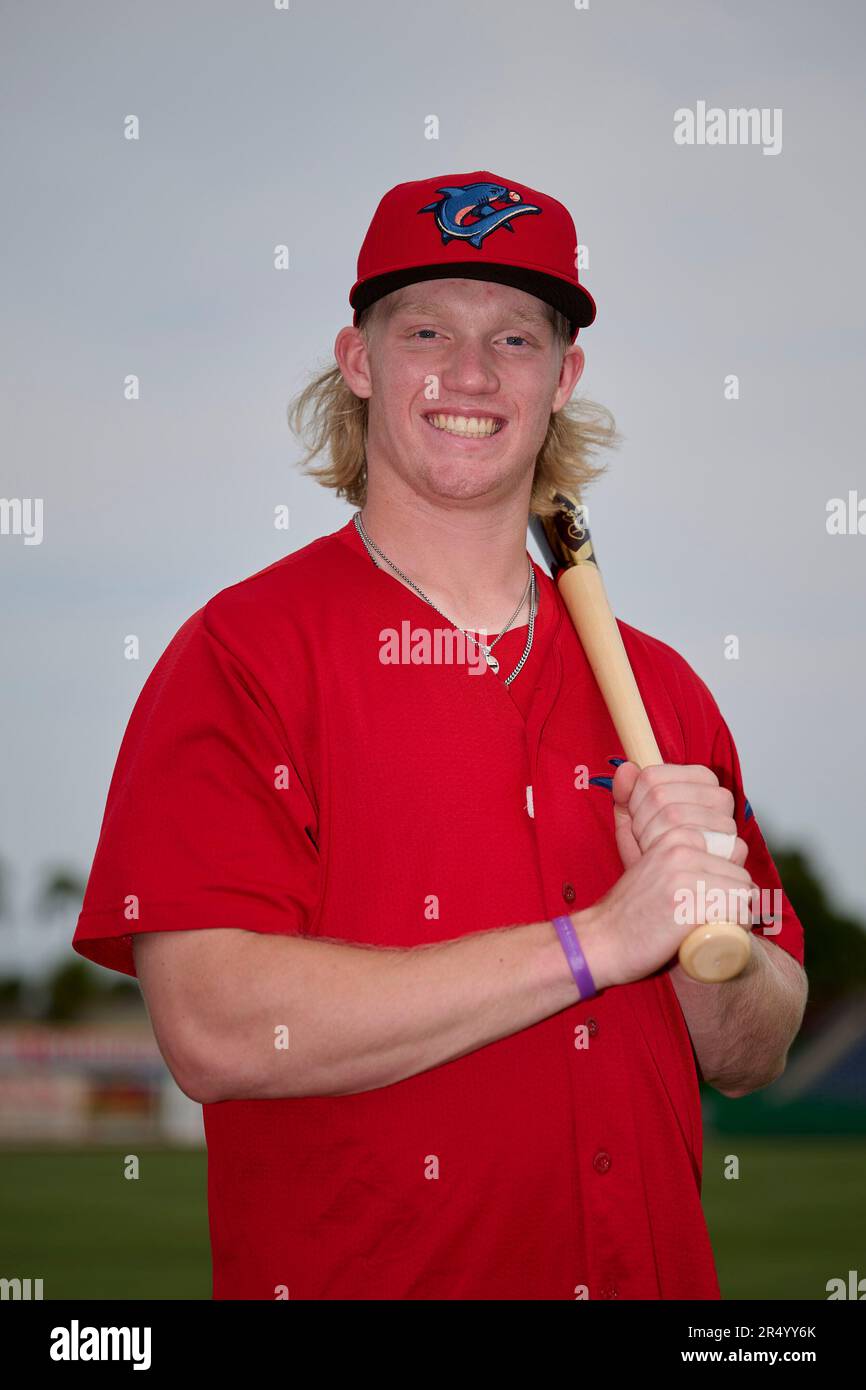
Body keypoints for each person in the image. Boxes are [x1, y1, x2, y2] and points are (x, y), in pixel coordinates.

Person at [73, 170, 807, 1301]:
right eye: (426, 329)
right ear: (358, 360)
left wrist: (700, 931)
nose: (468, 373)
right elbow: (215, 1025)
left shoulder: (656, 691)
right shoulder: (237, 656)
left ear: (561, 378)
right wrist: (593, 944)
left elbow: (751, 1045)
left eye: (513, 337)